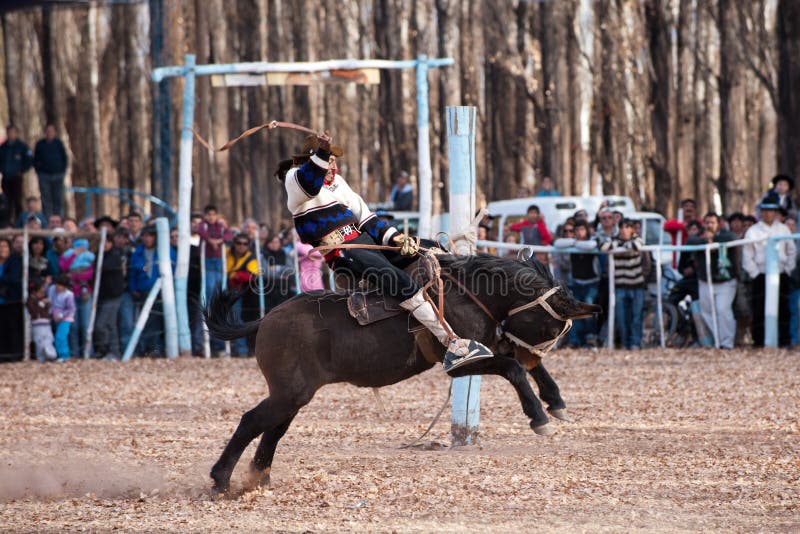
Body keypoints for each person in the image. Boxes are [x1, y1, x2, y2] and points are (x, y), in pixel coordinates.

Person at [280, 133, 492, 374]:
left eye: (333, 161)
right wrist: (322, 152)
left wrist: (398, 239)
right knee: (396, 279)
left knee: (429, 249)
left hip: (365, 241)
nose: (334, 166)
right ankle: (452, 343)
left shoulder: (339, 185)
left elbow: (368, 219)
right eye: (329, 160)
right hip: (342, 253)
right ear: (313, 160)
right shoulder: (294, 179)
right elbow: (309, 182)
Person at [742, 195, 797, 347]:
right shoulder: (753, 231)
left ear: (776, 212)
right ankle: (759, 341)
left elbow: (791, 251)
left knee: (783, 308)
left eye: (771, 211)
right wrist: (755, 273)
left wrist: (787, 269)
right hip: (760, 274)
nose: (767, 214)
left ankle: (784, 340)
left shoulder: (783, 229)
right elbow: (747, 255)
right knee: (759, 308)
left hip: (781, 273)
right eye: (764, 211)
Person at [687, 212, 739, 349]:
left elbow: (732, 239)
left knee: (723, 310)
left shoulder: (726, 235)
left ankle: (727, 343)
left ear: (719, 224)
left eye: (712, 222)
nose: (709, 225)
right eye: (707, 222)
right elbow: (690, 241)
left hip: (725, 282)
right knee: (707, 312)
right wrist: (706, 241)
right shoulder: (698, 237)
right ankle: (717, 340)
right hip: (705, 281)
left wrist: (714, 241)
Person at [599, 219, 645, 350]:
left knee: (636, 316)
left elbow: (637, 245)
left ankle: (635, 342)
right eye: (622, 227)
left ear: (632, 229)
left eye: (627, 227)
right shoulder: (612, 240)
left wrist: (619, 246)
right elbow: (603, 247)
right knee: (621, 317)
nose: (624, 230)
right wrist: (621, 244)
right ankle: (625, 342)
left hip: (636, 286)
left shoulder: (638, 239)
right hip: (619, 286)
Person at [129, 225, 176, 356]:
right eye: (145, 236)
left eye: (150, 236)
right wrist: (133, 288)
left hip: (161, 293)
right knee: (144, 322)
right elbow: (132, 272)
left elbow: (172, 266)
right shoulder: (137, 253)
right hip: (143, 292)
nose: (147, 239)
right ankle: (145, 349)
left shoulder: (164, 250)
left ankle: (156, 349)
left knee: (157, 323)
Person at [554, 220, 599, 347]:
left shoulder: (592, 241)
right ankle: (575, 341)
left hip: (591, 283)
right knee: (575, 311)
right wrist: (575, 243)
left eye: (582, 230)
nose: (579, 233)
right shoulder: (572, 243)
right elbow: (557, 243)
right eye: (577, 230)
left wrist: (576, 244)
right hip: (576, 283)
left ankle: (590, 338)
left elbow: (591, 245)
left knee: (588, 307)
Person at [59, 238, 95, 358]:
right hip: (70, 293)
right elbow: (64, 268)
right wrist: (74, 255)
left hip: (85, 293)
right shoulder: (68, 255)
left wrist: (73, 276)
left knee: (85, 325)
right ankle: (74, 353)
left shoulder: (89, 257)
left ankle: (88, 352)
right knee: (73, 326)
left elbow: (90, 273)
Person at [226, 233, 260, 356]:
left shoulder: (251, 258)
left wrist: (237, 276)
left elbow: (253, 275)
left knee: (236, 319)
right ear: (234, 244)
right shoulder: (226, 253)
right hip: (223, 287)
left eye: (245, 244)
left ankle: (241, 349)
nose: (241, 246)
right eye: (239, 243)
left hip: (239, 292)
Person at [94, 231, 126, 360]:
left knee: (101, 325)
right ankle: (113, 352)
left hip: (113, 296)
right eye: (103, 242)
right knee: (110, 325)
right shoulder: (98, 256)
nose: (105, 245)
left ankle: (108, 349)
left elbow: (105, 267)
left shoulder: (115, 256)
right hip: (103, 296)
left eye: (107, 242)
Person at [33, 124, 68, 217]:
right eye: (48, 131)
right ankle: (48, 220)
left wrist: (62, 171)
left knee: (58, 199)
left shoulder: (58, 143)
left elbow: (64, 158)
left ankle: (58, 219)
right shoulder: (40, 144)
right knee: (46, 199)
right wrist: (39, 171)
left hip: (58, 175)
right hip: (44, 175)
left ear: (55, 132)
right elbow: (35, 159)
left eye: (52, 131)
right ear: (45, 132)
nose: (50, 133)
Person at [0, 125, 33, 223]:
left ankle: (19, 221)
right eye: (9, 132)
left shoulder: (21, 146)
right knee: (6, 201)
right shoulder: (3, 147)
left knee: (17, 200)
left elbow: (29, 160)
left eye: (13, 132)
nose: (11, 134)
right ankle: (7, 221)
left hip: (17, 177)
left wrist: (21, 170)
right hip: (6, 177)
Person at [27, 278, 57, 362]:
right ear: (34, 292)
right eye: (40, 292)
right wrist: (42, 303)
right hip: (37, 324)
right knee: (39, 341)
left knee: (49, 338)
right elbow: (34, 311)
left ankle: (51, 355)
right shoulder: (31, 300)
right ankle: (41, 358)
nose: (43, 293)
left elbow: (47, 310)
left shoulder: (44, 299)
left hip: (46, 323)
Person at [48, 273, 75, 361]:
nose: (57, 287)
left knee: (61, 336)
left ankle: (64, 355)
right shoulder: (52, 289)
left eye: (60, 285)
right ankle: (57, 354)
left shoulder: (69, 295)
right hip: (54, 316)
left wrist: (61, 315)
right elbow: (50, 300)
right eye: (57, 284)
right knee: (55, 336)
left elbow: (71, 309)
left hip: (65, 318)